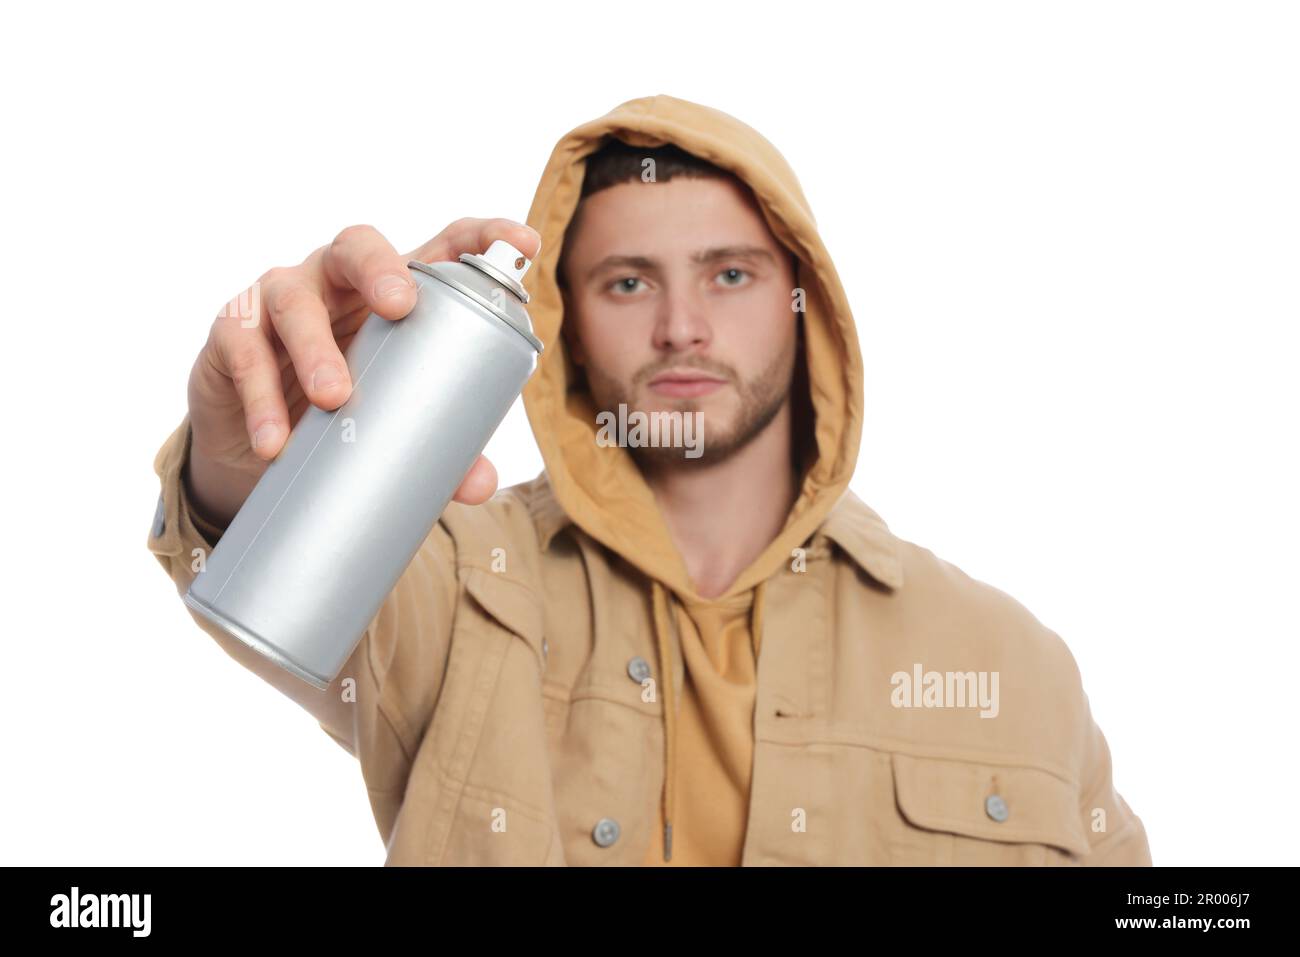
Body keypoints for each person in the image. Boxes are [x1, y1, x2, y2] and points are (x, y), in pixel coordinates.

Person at [146, 93, 1152, 866]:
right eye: (627, 282)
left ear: (807, 307)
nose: (682, 327)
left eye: (729, 273)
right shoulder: (450, 574)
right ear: (565, 323)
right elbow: (268, 570)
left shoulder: (1010, 662)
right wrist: (259, 453)